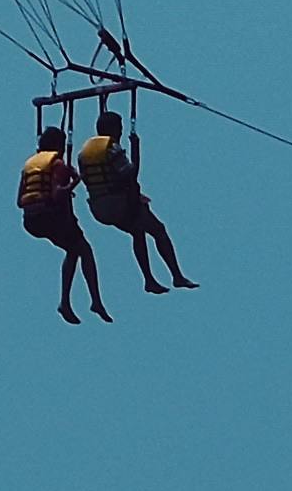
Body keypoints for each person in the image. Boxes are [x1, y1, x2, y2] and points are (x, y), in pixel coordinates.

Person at [77, 98, 197, 291]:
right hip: (119, 206)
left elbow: (91, 179)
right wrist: (136, 149)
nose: (121, 131)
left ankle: (149, 280)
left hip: (99, 209)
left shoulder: (83, 154)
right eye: (120, 127)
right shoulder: (112, 149)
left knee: (137, 231)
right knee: (158, 230)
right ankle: (177, 276)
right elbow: (131, 174)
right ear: (114, 129)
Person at [20, 110, 110, 323]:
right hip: (50, 218)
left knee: (73, 249)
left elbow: (19, 200)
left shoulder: (29, 166)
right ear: (59, 147)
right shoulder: (58, 164)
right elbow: (57, 194)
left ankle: (65, 303)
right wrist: (74, 183)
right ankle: (95, 300)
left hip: (31, 220)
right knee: (85, 250)